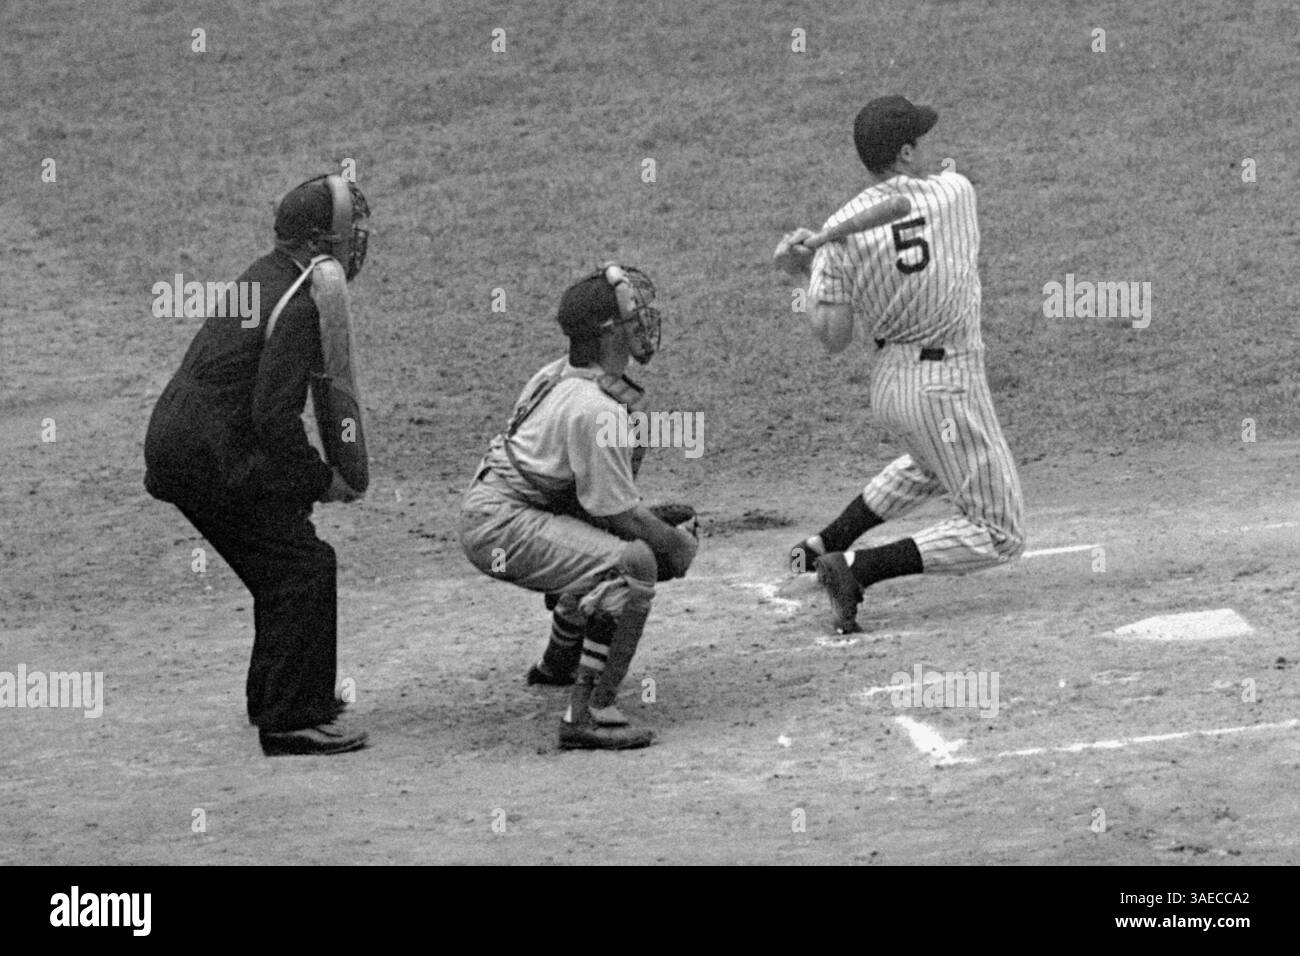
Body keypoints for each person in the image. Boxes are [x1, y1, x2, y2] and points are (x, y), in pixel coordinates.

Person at [774, 96, 1025, 634]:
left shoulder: (837, 234)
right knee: (1000, 532)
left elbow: (834, 337)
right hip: (948, 384)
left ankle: (826, 543)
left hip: (892, 387)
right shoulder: (957, 194)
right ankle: (857, 569)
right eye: (921, 144)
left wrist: (804, 272)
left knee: (932, 464)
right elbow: (914, 214)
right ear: (907, 151)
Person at [143, 174, 372, 755]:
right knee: (304, 566)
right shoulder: (296, 304)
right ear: (318, 246)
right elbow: (274, 418)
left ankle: (274, 697)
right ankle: (293, 719)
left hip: (186, 441)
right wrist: (322, 481)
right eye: (347, 237)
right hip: (208, 455)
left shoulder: (267, 273)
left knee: (284, 561)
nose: (355, 248)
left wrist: (296, 486)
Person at [460, 264, 698, 750]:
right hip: (504, 524)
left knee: (630, 542)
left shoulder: (556, 374)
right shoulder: (596, 408)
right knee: (633, 563)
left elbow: (592, 502)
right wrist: (676, 546)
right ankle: (589, 712)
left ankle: (561, 661)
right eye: (634, 317)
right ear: (610, 333)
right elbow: (617, 515)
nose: (644, 323)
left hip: (508, 510)